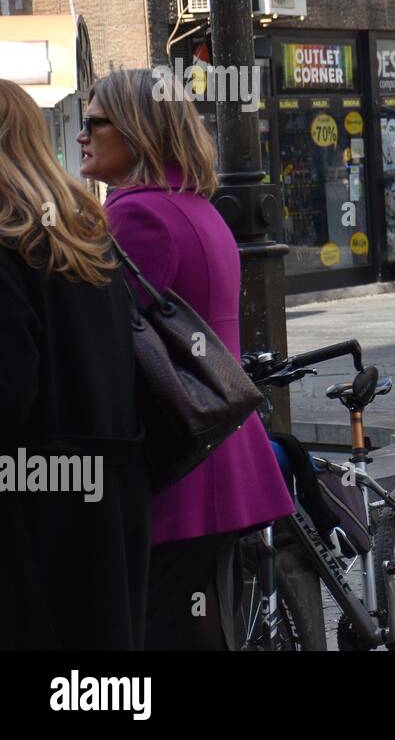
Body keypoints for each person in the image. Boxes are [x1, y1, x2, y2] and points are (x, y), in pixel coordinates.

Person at [78, 68, 293, 650]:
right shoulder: (193, 206)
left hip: (183, 468)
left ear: (137, 131)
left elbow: (105, 338)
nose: (80, 135)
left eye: (94, 122)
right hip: (220, 454)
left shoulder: (136, 215)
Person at [0, 79, 150, 650]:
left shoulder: (10, 243)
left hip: (34, 514)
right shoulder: (84, 233)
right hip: (107, 498)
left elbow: (9, 393)